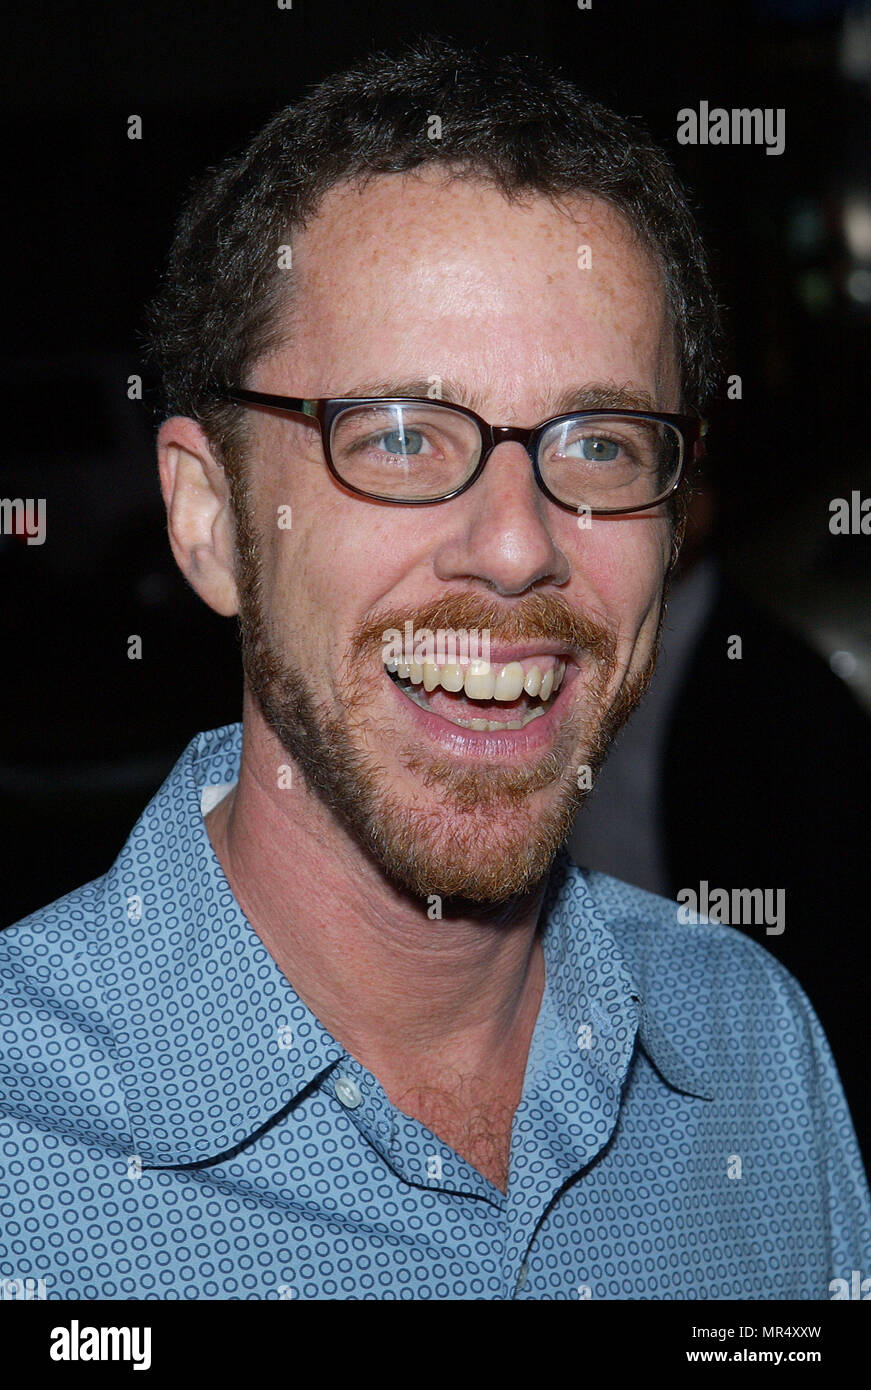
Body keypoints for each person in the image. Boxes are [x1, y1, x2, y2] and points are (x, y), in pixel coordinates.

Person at [1, 38, 868, 1302]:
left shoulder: (753, 1051)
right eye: (398, 435)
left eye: (602, 444)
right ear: (208, 521)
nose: (518, 544)